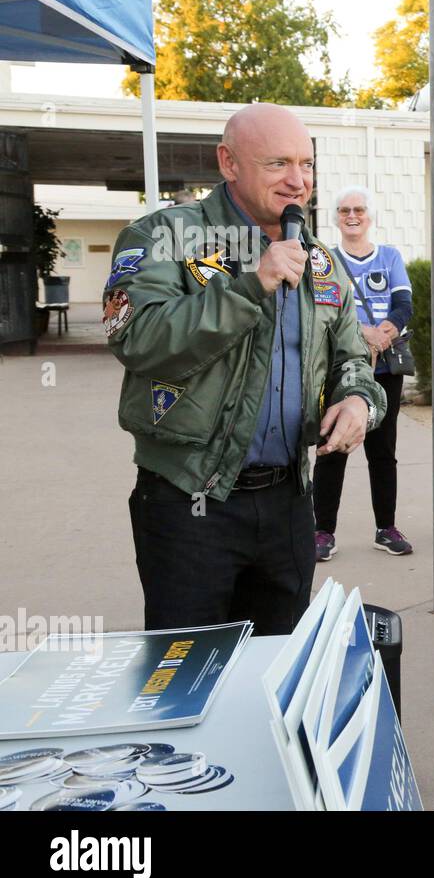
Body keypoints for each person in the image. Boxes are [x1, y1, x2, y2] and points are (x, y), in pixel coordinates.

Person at [105, 103, 384, 634]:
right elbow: (136, 337)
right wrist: (251, 285)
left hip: (288, 504)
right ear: (228, 163)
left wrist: (358, 401)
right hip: (190, 500)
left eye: (306, 164)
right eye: (278, 163)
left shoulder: (319, 259)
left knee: (276, 674)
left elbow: (352, 358)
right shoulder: (163, 237)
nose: (297, 180)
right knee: (185, 676)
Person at [312, 186, 414, 561]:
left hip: (385, 367)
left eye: (358, 210)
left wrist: (382, 333)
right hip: (338, 369)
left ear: (370, 216)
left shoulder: (389, 256)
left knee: (383, 451)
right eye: (343, 210)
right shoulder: (324, 259)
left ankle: (385, 528)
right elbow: (320, 310)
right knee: (331, 447)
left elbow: (403, 304)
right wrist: (362, 335)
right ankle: (322, 531)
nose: (351, 216)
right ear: (336, 217)